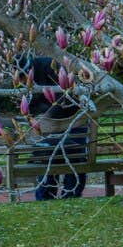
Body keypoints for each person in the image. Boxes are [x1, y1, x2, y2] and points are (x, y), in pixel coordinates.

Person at [26, 55, 89, 200]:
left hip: (74, 118)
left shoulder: (51, 66)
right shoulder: (28, 76)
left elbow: (69, 95)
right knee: (49, 155)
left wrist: (46, 116)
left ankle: (70, 193)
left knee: (74, 155)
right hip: (52, 122)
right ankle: (47, 195)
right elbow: (31, 105)